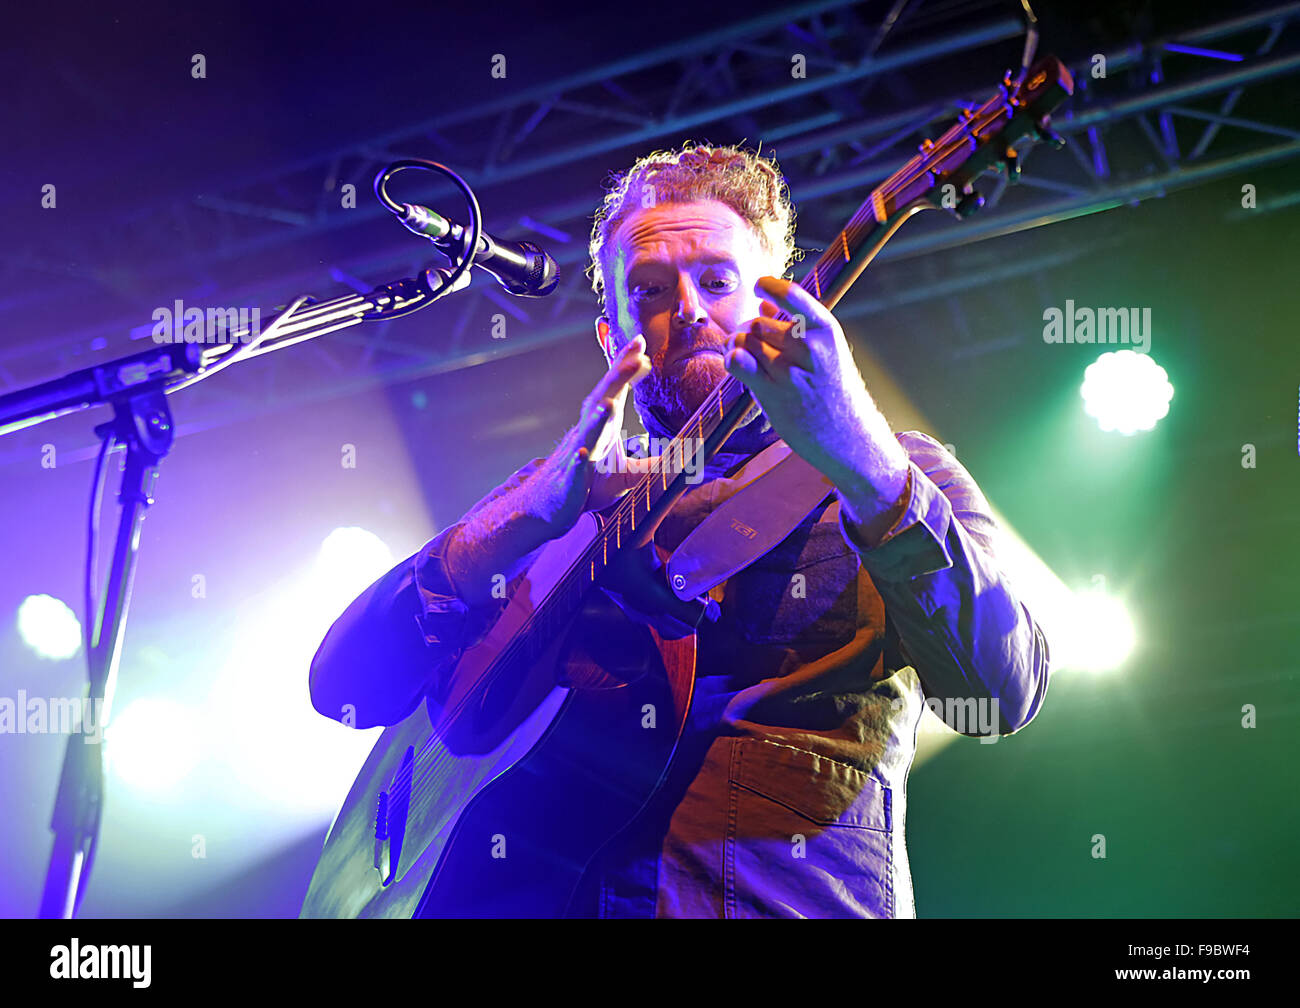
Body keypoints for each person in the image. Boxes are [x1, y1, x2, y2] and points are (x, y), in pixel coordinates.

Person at [308, 142, 1051, 918]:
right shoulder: (565, 495)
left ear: (785, 304)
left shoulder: (892, 471)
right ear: (611, 339)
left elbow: (1001, 695)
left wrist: (863, 459)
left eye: (719, 281)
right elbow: (346, 689)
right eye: (652, 289)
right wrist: (513, 522)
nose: (688, 310)